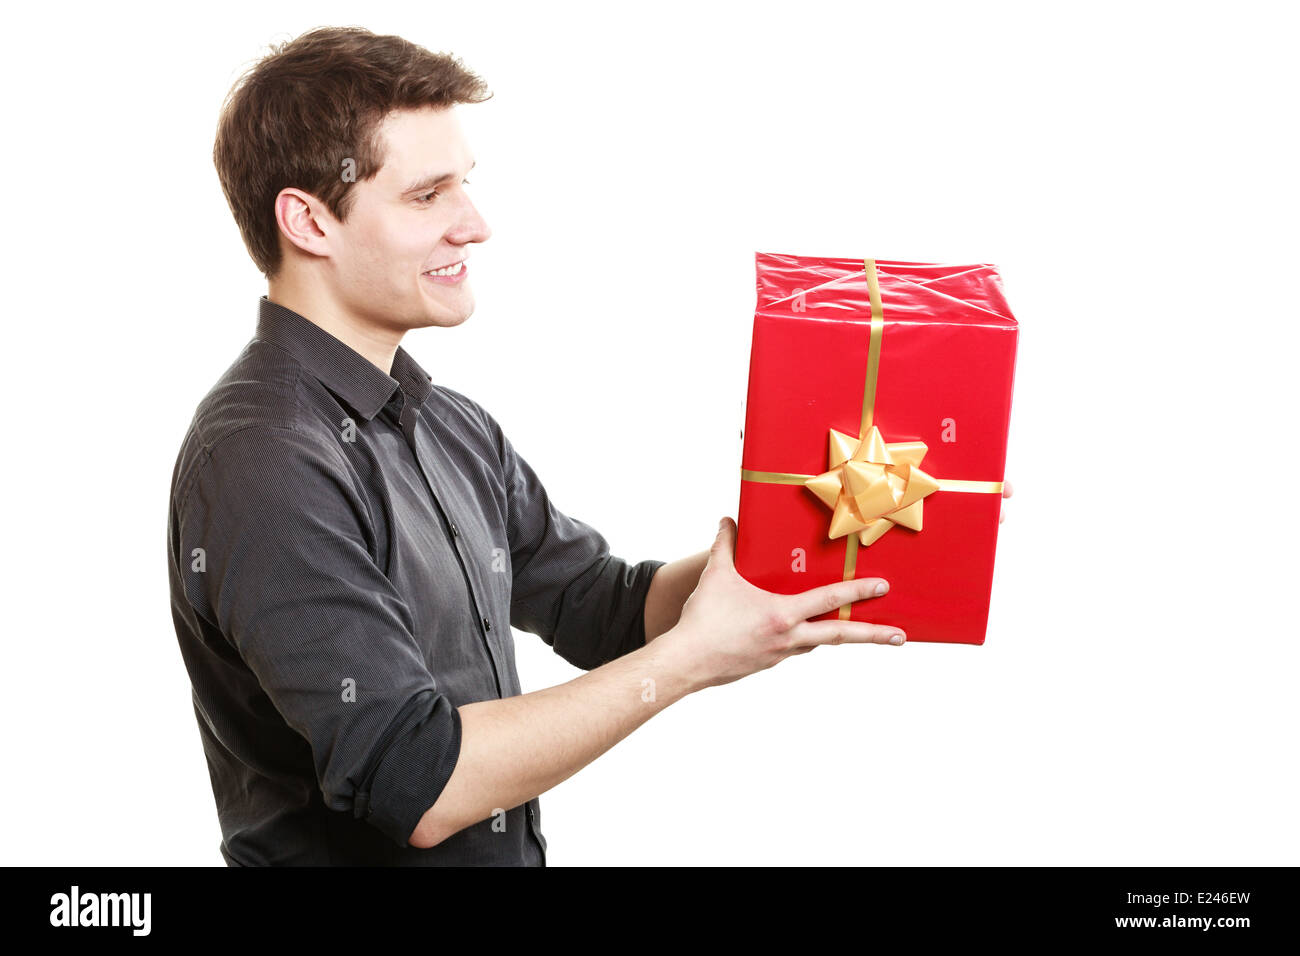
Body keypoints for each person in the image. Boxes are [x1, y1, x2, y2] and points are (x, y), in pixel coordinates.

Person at [167, 25, 1012, 866]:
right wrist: (688, 663)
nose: (475, 224)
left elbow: (604, 607)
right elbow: (417, 783)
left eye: (466, 185)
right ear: (309, 221)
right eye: (428, 196)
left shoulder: (449, 426)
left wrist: (835, 507)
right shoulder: (263, 459)